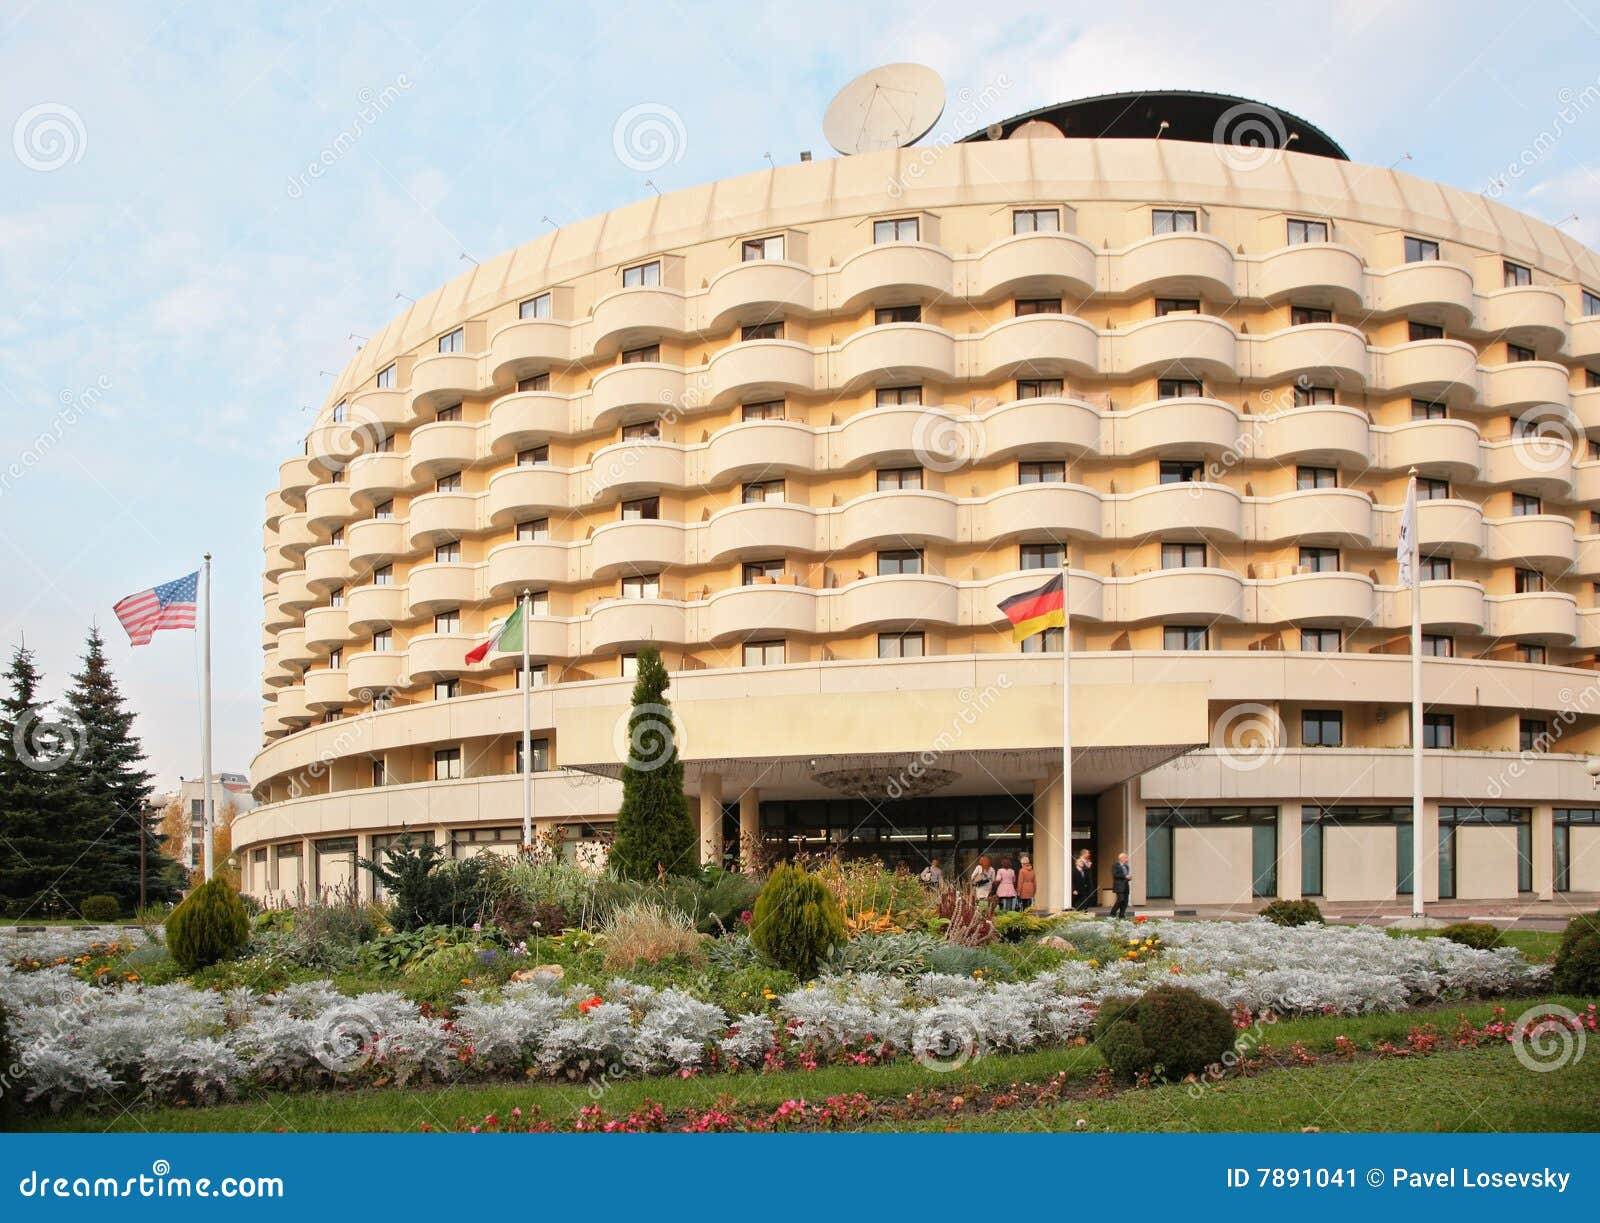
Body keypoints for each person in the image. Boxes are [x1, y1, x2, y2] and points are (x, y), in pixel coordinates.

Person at [1109, 852, 1132, 919]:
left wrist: (1129, 878)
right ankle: (1112, 913)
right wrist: (1125, 877)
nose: (1127, 859)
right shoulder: (1115, 865)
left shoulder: (1126, 866)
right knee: (1120, 900)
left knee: (1125, 901)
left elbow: (1126, 876)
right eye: (1126, 858)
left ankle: (1122, 915)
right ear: (1121, 858)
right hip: (1119, 886)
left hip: (1126, 886)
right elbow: (1115, 875)